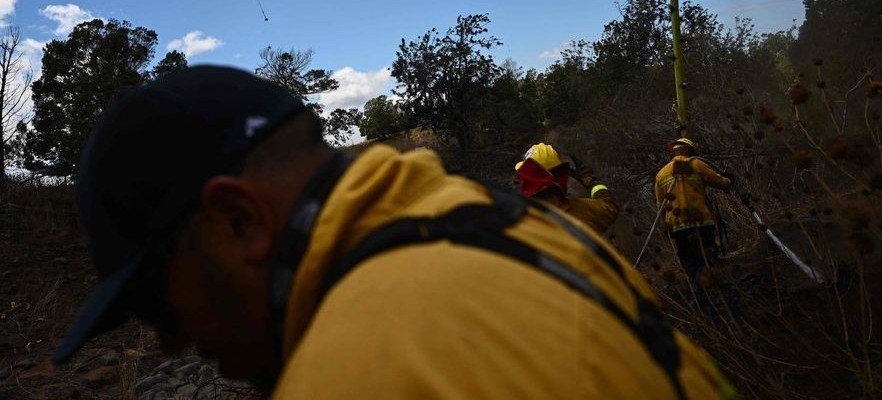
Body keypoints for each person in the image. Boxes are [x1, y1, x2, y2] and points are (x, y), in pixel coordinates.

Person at [54, 66, 735, 398]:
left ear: (238, 220)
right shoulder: (485, 219)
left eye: (156, 301)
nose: (168, 341)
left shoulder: (354, 374)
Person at [654, 138, 732, 285]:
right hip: (702, 220)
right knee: (707, 252)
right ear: (689, 151)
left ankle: (699, 284)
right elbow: (718, 181)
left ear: (674, 153)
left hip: (677, 225)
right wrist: (729, 181)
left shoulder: (661, 174)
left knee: (688, 257)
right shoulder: (696, 164)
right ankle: (710, 283)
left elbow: (661, 204)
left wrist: (665, 225)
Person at [515, 143, 619, 232]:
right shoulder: (579, 210)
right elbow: (610, 208)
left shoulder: (521, 223)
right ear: (561, 174)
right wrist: (590, 181)